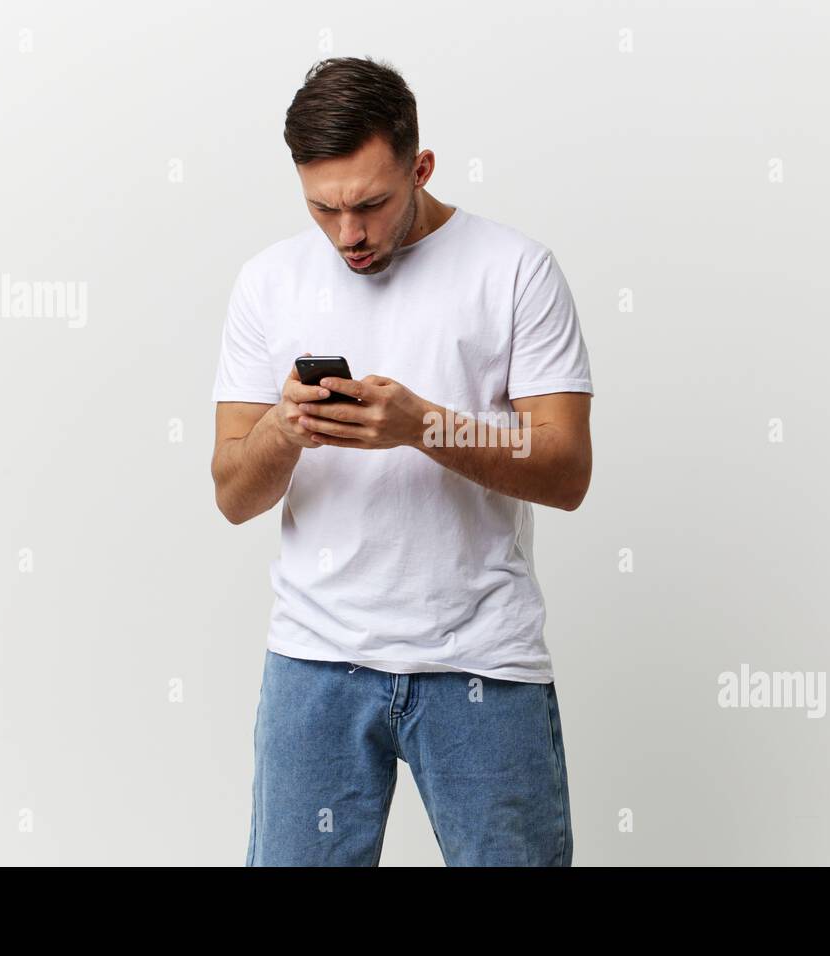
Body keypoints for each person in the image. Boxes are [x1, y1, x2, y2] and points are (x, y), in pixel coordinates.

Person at [210, 56, 594, 866]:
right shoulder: (267, 283)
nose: (348, 234)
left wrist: (424, 426)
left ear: (420, 167)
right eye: (324, 209)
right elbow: (232, 494)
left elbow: (566, 471)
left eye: (372, 205)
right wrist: (285, 427)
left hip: (482, 662)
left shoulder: (516, 270)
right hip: (314, 665)